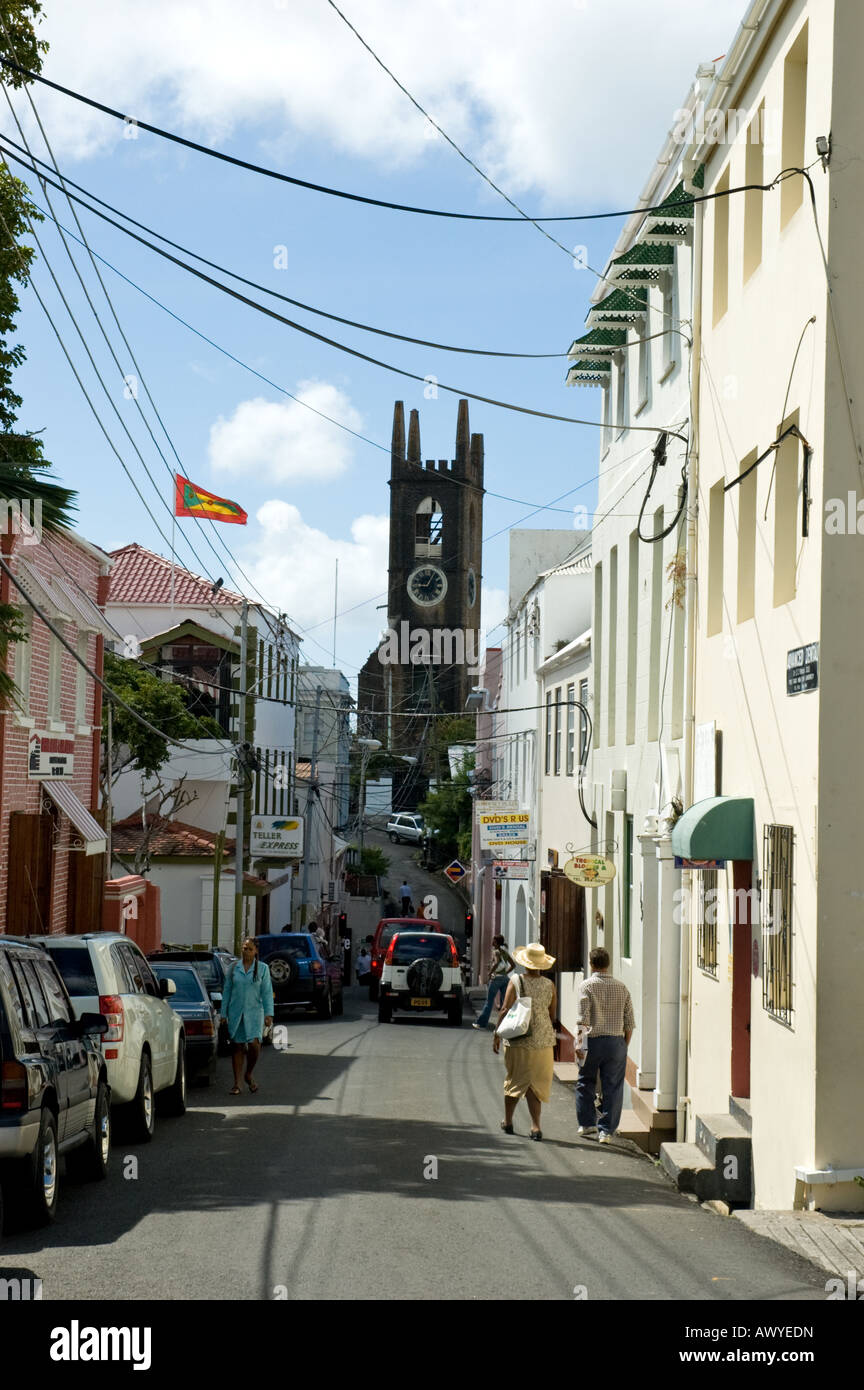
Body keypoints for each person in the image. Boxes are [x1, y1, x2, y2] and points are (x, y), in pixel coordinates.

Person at [492, 942, 557, 1141]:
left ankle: (508, 1121)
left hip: (519, 1040)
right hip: (544, 1043)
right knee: (535, 1084)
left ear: (525, 962)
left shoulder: (516, 980)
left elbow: (504, 1009)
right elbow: (552, 1015)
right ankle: (536, 1127)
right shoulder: (549, 985)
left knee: (515, 1080)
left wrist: (497, 1033)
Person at [575, 946, 635, 1143]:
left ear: (591, 964)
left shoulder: (587, 986)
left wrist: (579, 1046)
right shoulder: (622, 987)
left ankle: (587, 1123)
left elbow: (583, 1020)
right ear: (608, 964)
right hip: (616, 1042)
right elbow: (629, 1022)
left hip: (593, 1040)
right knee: (613, 1086)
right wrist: (623, 1045)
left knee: (586, 1081)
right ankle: (607, 1131)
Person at [220, 937, 274, 1095]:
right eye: (244, 948)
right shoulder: (233, 968)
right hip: (236, 1012)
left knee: (254, 1045)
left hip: (255, 1013)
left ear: (256, 951)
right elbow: (227, 991)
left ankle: (248, 1073)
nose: (246, 951)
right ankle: (237, 1084)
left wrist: (269, 1013)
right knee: (237, 1046)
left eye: (250, 949)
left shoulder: (262, 969)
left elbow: (267, 992)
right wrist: (224, 1013)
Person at [472, 935, 515, 1029]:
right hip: (505, 979)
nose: (492, 942)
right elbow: (513, 965)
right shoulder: (505, 952)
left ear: (496, 942)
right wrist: (505, 973)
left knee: (489, 1002)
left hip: (496, 979)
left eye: (493, 941)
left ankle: (481, 1023)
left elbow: (496, 963)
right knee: (505, 1003)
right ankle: (508, 1024)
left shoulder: (496, 952)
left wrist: (490, 972)